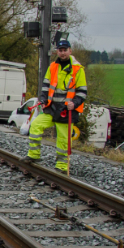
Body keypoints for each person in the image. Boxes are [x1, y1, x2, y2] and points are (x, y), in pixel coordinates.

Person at [22, 40, 88, 172]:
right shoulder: (53, 67)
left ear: (70, 51)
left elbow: (82, 92)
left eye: (65, 50)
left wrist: (74, 103)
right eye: (60, 50)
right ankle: (34, 155)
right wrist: (43, 99)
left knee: (63, 140)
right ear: (57, 51)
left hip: (66, 110)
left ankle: (62, 166)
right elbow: (46, 86)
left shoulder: (78, 69)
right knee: (35, 125)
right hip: (51, 108)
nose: (62, 53)